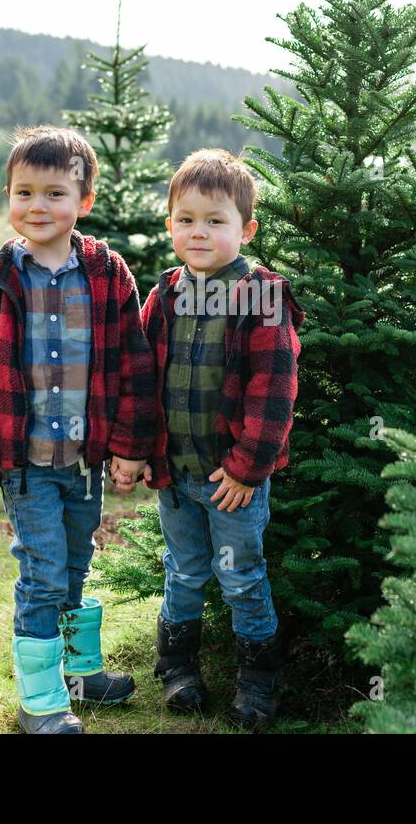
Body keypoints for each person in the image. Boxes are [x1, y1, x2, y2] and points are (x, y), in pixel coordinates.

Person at [0, 125, 155, 734]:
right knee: (41, 573)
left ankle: (78, 673)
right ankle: (39, 703)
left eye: (54, 193)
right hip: (26, 462)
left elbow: (132, 361)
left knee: (74, 565)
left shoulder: (105, 271)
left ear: (83, 201)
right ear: (9, 197)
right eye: (24, 193)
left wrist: (128, 447)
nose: (37, 206)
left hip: (85, 460)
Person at [113, 148, 304, 731]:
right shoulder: (164, 294)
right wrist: (137, 451)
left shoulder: (262, 296)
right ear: (170, 225)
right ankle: (178, 667)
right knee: (185, 570)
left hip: (232, 484)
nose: (199, 232)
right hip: (174, 476)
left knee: (242, 576)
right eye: (187, 219)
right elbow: (141, 381)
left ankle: (258, 679)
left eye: (215, 221)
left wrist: (248, 468)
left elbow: (274, 393)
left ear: (246, 229)